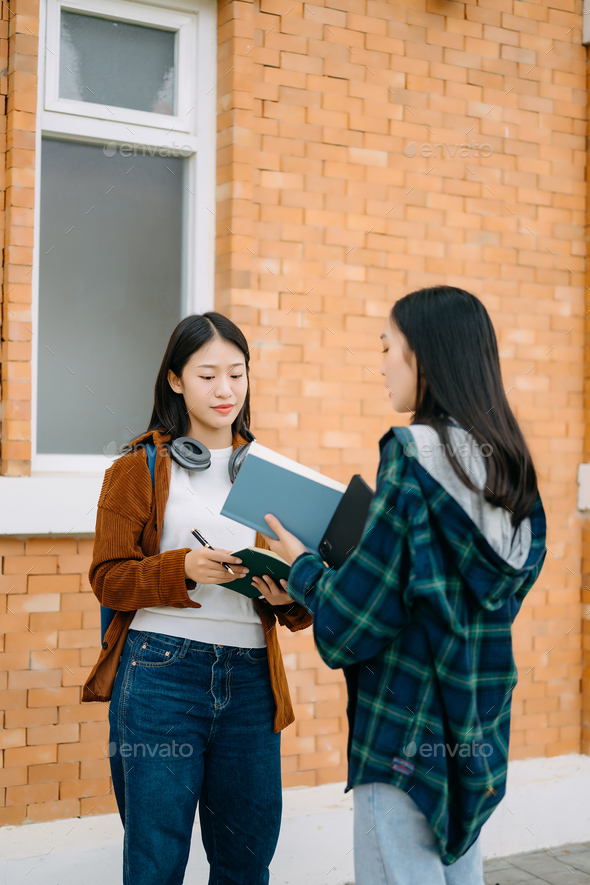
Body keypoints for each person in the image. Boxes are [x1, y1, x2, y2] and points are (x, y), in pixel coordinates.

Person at [252, 285, 547, 885]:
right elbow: (470, 598)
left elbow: (352, 621)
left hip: (404, 729)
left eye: (388, 346)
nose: (382, 363)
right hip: (476, 727)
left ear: (424, 355)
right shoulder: (508, 466)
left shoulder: (412, 457)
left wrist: (303, 566)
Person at [81, 312, 312, 885]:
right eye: (207, 376)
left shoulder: (272, 476)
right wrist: (180, 568)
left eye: (237, 373)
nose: (225, 389)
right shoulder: (135, 469)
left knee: (246, 861)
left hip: (252, 681)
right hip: (160, 674)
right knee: (156, 862)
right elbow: (108, 578)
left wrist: (287, 594)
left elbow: (302, 605)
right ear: (175, 380)